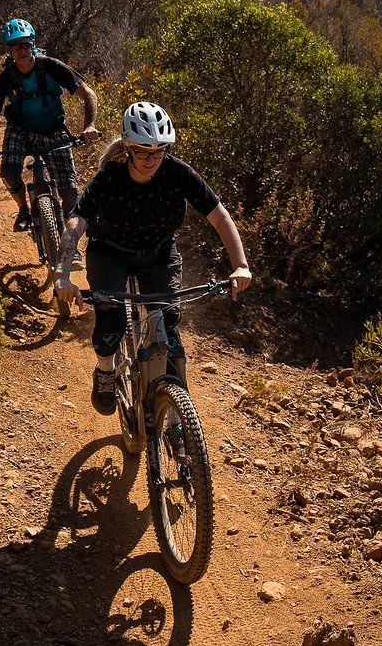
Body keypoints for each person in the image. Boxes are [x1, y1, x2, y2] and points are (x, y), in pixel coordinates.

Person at [53, 101, 252, 417]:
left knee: (167, 328)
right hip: (109, 253)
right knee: (111, 324)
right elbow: (77, 221)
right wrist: (62, 272)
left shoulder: (178, 173)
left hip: (158, 254)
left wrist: (240, 265)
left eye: (159, 150)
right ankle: (106, 371)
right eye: (144, 151)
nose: (152, 159)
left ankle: (174, 412)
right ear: (129, 148)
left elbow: (219, 216)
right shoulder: (109, 177)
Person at [0, 18, 100, 230]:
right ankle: (24, 210)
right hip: (20, 130)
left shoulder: (51, 66)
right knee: (9, 172)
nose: (22, 50)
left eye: (26, 44)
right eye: (16, 45)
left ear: (33, 44)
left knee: (70, 194)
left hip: (53, 128)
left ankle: (69, 243)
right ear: (9, 50)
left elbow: (89, 94)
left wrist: (89, 126)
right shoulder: (5, 78)